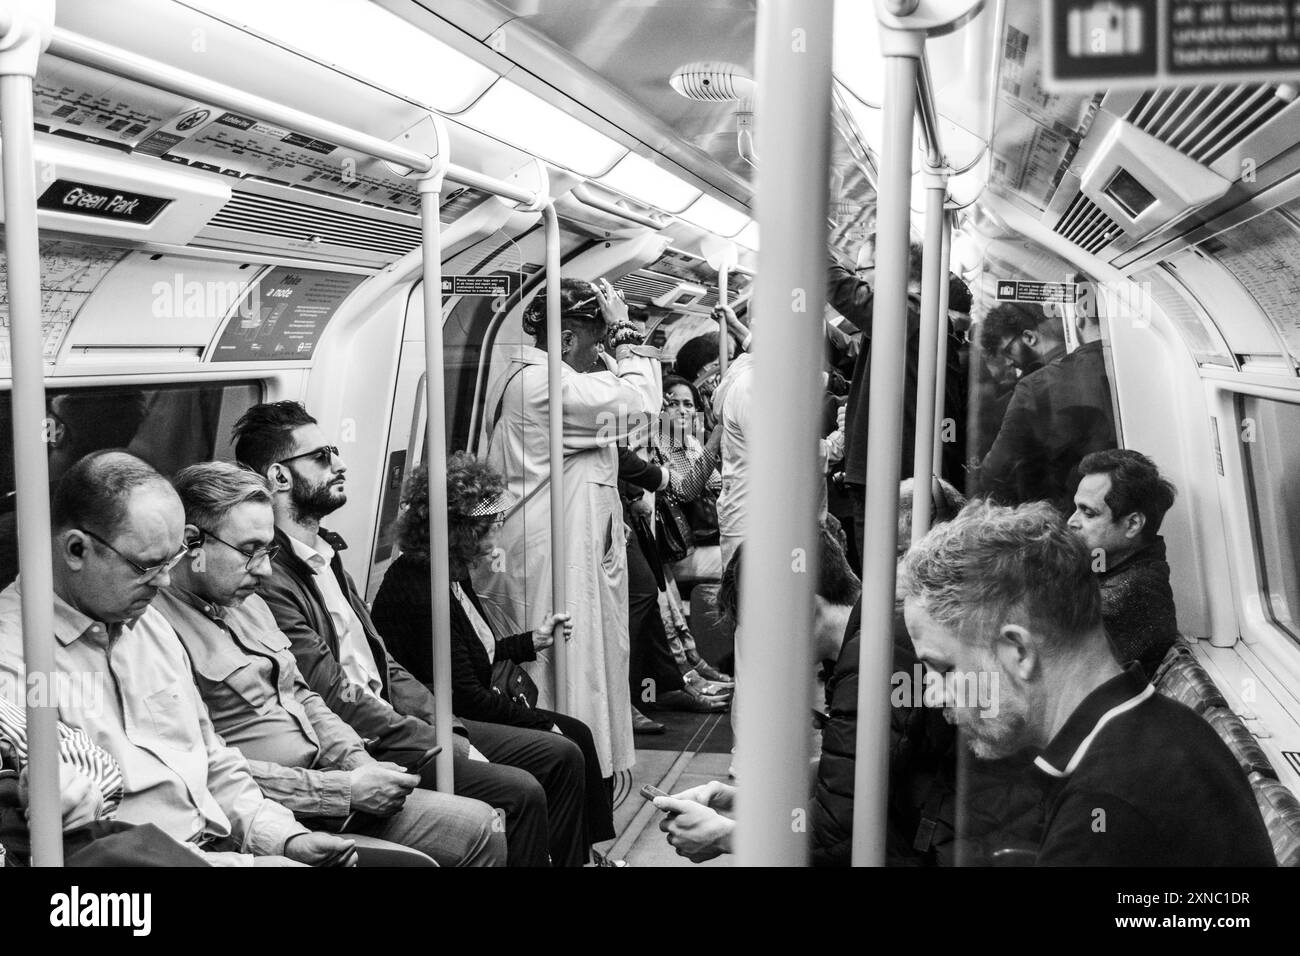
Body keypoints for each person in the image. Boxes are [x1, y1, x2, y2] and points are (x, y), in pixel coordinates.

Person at [232, 401, 585, 867]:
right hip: (373, 734)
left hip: (398, 718)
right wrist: (435, 735)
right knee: (527, 783)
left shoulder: (330, 556)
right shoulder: (279, 578)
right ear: (279, 477)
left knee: (564, 749)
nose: (339, 464)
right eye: (321, 457)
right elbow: (328, 690)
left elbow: (383, 662)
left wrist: (443, 726)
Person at [0, 451, 354, 867]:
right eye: (147, 566)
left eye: (171, 560)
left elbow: (211, 756)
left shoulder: (148, 625)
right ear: (76, 549)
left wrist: (283, 838)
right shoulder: (18, 663)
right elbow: (95, 844)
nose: (165, 581)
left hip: (225, 844)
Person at [156, 460, 505, 866]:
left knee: (484, 823)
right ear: (192, 542)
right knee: (476, 826)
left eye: (267, 550)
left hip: (333, 778)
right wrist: (340, 789)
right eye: (249, 551)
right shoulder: (161, 631)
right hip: (284, 806)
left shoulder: (247, 604)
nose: (264, 569)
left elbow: (303, 696)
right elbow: (210, 768)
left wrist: (358, 763)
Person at [899, 499, 1275, 865]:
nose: (932, 694)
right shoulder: (1170, 727)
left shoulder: (1103, 810)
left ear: (1018, 651)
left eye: (943, 668)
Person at [371, 456, 618, 861]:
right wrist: (543, 722)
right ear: (462, 530)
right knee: (563, 748)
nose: (499, 526)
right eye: (491, 520)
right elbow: (464, 693)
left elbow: (471, 651)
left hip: (458, 701)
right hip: (438, 718)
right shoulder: (423, 589)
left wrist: (528, 643)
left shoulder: (451, 571)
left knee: (578, 734)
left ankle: (580, 853)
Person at [473, 277, 663, 778]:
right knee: (562, 683)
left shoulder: (544, 382)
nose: (603, 352)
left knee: (578, 677)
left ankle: (581, 787)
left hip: (555, 553)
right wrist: (625, 333)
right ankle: (567, 790)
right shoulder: (544, 387)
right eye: (597, 339)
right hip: (542, 561)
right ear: (567, 337)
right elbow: (638, 406)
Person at [654, 523, 861, 862]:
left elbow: (838, 828)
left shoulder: (868, 670)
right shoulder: (860, 653)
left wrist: (725, 835)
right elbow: (849, 774)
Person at [825, 241, 968, 550]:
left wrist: (805, 232)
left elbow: (843, 290)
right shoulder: (913, 319)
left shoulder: (913, 313)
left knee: (887, 588)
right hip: (890, 476)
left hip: (894, 484)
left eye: (863, 270)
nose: (861, 280)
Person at [0, 696, 211, 866]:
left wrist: (73, 786)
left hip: (60, 842)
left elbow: (65, 746)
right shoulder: (27, 656)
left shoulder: (160, 643)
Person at [976, 301, 1116, 514]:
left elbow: (996, 470)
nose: (1009, 362)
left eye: (1008, 351)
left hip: (1065, 512)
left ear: (1030, 338)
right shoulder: (1129, 365)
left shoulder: (1034, 387)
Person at [1069, 448, 1179, 678]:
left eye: (1088, 513)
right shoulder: (1109, 563)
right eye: (1076, 508)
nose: (1071, 522)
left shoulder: (1134, 593)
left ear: (1132, 524)